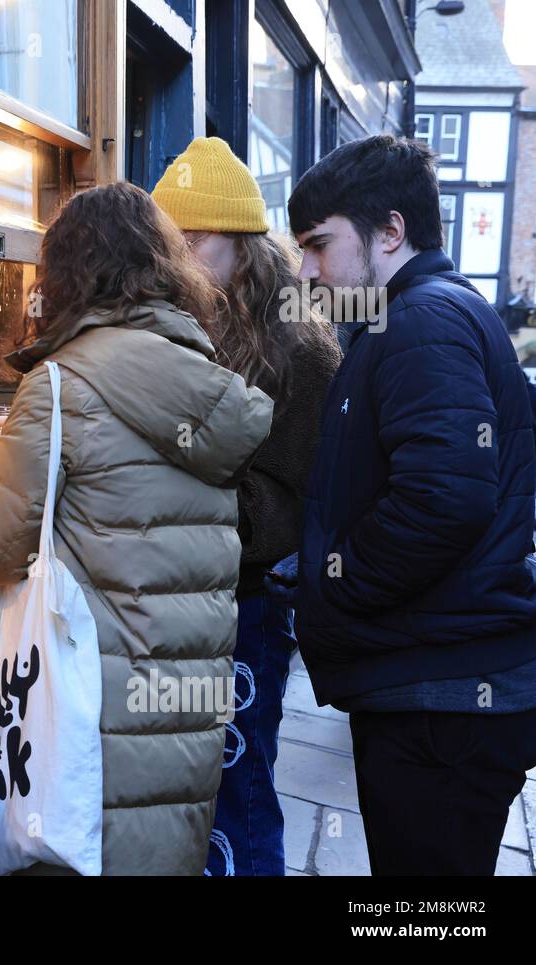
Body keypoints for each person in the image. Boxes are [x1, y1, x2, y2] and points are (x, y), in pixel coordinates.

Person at [0, 181, 274, 875]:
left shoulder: (62, 383)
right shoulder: (202, 374)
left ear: (63, 275)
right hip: (180, 719)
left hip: (92, 721)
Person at [287, 135, 536, 875]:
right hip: (446, 692)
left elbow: (445, 498)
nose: (305, 271)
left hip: (443, 706)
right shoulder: (421, 315)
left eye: (319, 245)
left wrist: (335, 578)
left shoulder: (421, 321)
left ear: (390, 232)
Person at [152, 137, 342, 876]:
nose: (182, 258)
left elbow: (313, 496)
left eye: (194, 240)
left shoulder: (299, 344)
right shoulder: (182, 318)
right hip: (183, 599)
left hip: (252, 607)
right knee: (191, 791)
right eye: (173, 243)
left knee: (242, 786)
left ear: (240, 241)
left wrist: (212, 501)